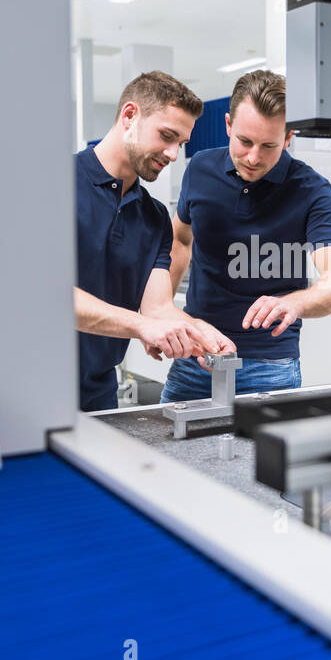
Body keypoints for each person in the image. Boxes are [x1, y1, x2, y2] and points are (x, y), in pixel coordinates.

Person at [163, 70, 331, 402]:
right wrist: (162, 310)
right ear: (227, 125)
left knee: (262, 456)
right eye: (245, 142)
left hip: (270, 365)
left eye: (269, 146)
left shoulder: (312, 190)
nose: (253, 158)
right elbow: (180, 240)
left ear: (289, 137)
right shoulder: (200, 169)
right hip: (197, 357)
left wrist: (294, 302)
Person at [74, 71, 235, 412]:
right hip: (28, 388)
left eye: (182, 143)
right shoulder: (53, 183)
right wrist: (142, 327)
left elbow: (157, 308)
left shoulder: (155, 217)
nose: (174, 154)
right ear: (129, 116)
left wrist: (198, 331)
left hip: (98, 395)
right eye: (166, 136)